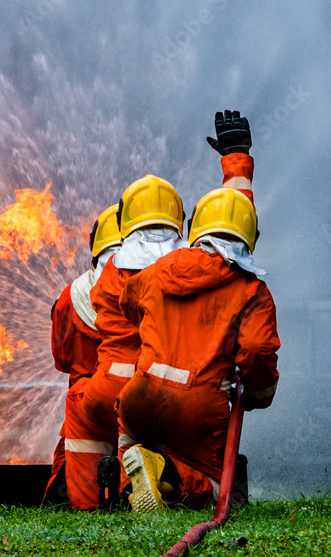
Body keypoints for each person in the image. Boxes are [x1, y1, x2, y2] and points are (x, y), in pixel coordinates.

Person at [66, 109, 257, 511]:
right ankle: (170, 479)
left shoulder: (110, 276)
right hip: (181, 387)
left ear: (125, 220)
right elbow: (230, 234)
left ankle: (94, 500)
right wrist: (236, 159)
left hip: (122, 390)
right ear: (182, 220)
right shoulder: (184, 263)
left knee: (87, 412)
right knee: (199, 463)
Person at [116, 184, 280, 512]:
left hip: (141, 393)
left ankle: (129, 491)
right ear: (250, 236)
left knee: (131, 441)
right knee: (216, 486)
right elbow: (259, 351)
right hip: (198, 405)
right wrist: (259, 395)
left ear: (196, 227)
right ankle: (171, 478)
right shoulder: (252, 290)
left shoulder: (161, 266)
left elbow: (128, 301)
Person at [43, 205, 121, 504]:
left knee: (73, 467)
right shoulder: (152, 287)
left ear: (95, 244)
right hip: (142, 402)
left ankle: (75, 499)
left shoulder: (69, 296)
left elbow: (62, 360)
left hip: (85, 408)